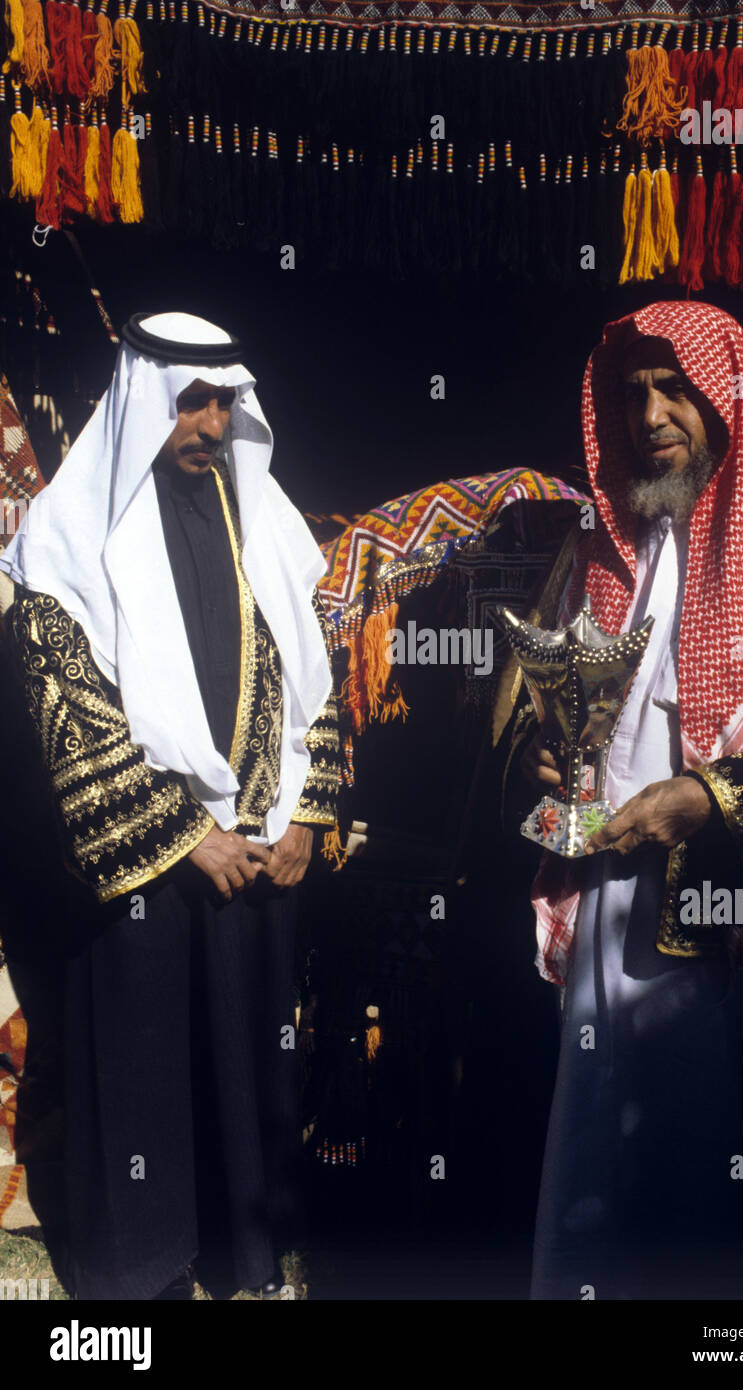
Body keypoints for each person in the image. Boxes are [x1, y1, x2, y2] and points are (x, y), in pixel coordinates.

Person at [494, 300, 743, 1300]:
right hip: (606, 904)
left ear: (725, 399)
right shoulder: (595, 552)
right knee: (600, 1159)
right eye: (632, 395)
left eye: (674, 389)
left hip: (740, 920)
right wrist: (541, 760)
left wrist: (709, 800)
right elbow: (516, 725)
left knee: (719, 1166)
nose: (651, 415)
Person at [0, 311, 342, 1300]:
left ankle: (241, 1260)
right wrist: (189, 837)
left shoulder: (267, 519)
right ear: (147, 399)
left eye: (223, 400)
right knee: (144, 1073)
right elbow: (67, 714)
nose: (210, 422)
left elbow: (316, 680)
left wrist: (309, 814)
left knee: (240, 1069)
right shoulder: (70, 540)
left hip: (259, 857)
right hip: (151, 868)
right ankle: (138, 1271)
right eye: (191, 401)